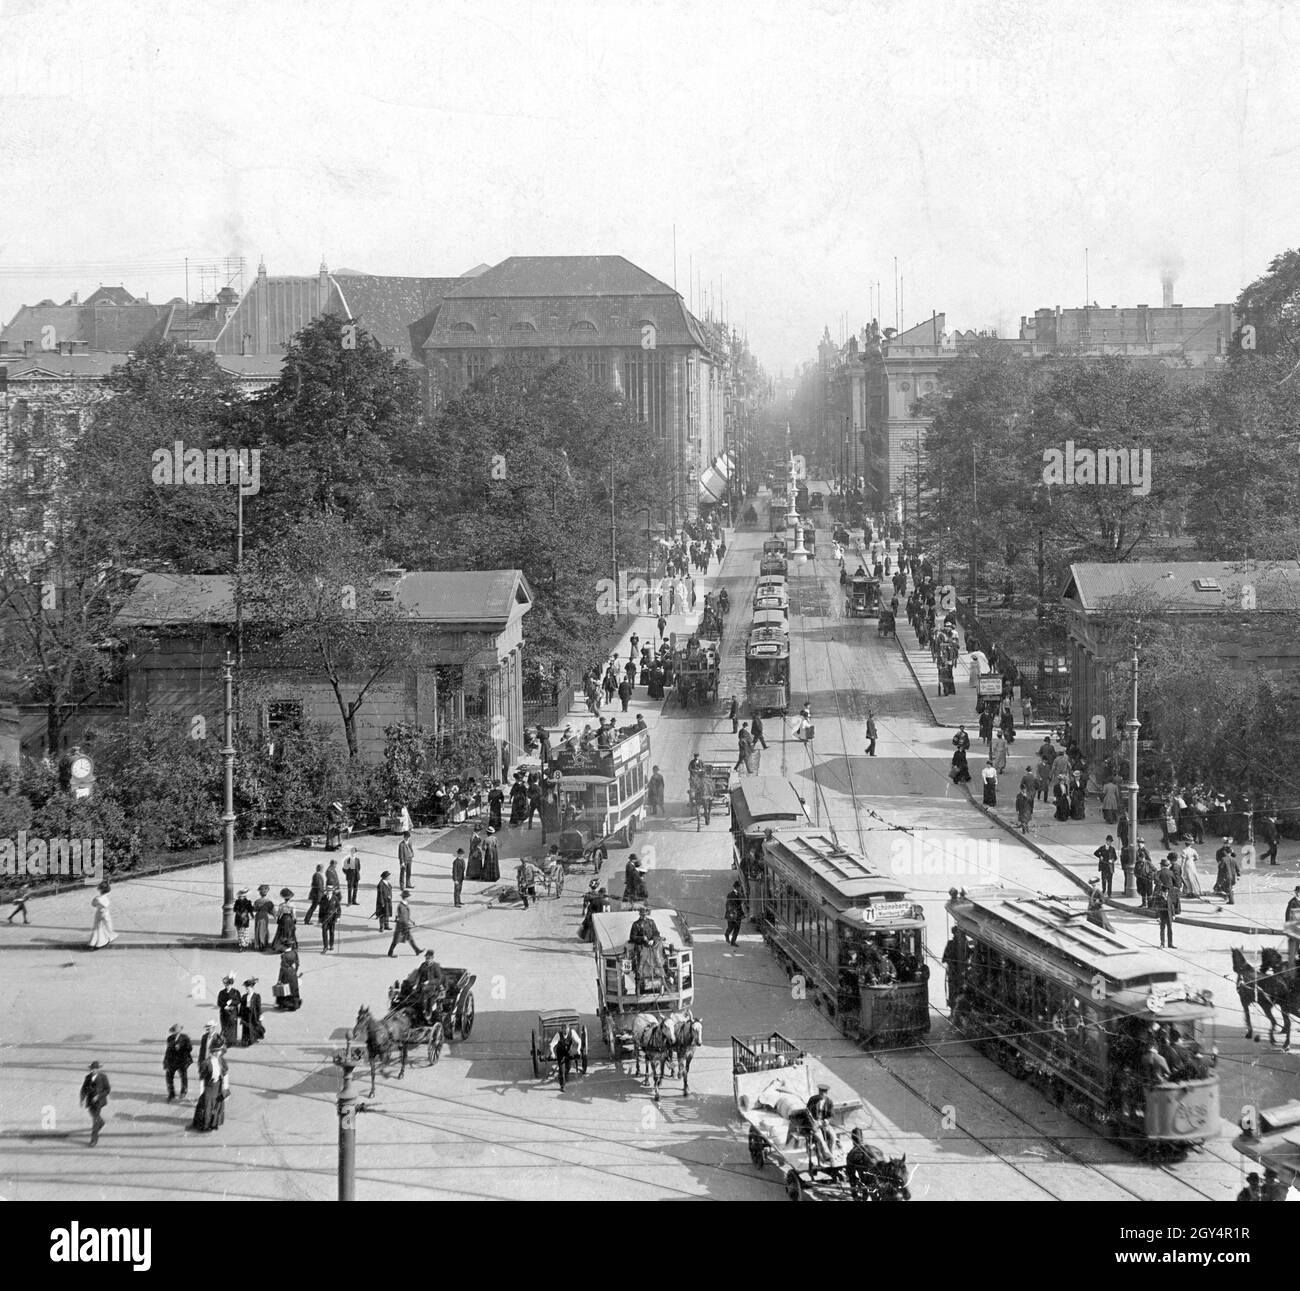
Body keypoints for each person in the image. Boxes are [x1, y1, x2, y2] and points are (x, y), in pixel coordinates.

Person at [191, 1051, 225, 1133]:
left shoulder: (220, 1060)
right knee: (207, 1105)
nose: (219, 1053)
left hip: (218, 1086)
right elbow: (202, 1076)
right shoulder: (206, 1062)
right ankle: (205, 1124)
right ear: (213, 1052)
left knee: (216, 1104)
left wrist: (224, 1084)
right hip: (210, 1086)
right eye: (217, 1051)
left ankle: (214, 1123)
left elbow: (225, 1071)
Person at [80, 1061, 111, 1146]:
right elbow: (83, 1089)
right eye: (92, 1069)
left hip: (99, 1102)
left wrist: (98, 1096)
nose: (94, 1071)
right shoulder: (88, 1077)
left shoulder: (103, 1077)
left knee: (95, 1120)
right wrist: (82, 1099)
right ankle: (101, 1122)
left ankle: (94, 1140)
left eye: (95, 1069)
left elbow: (107, 1089)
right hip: (90, 1101)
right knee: (93, 1115)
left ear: (98, 1069)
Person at [805, 1083, 836, 1164]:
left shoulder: (829, 1102)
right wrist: (813, 1122)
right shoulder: (813, 1099)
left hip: (824, 1124)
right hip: (815, 1124)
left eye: (824, 1094)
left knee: (833, 1137)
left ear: (826, 1094)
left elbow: (832, 1115)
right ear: (818, 1092)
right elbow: (807, 1113)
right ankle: (827, 1156)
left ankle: (830, 1155)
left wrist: (827, 1121)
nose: (822, 1095)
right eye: (820, 1093)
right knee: (821, 1139)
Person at [164, 1025, 193, 1101]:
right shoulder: (170, 1038)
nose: (175, 1033)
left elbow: (190, 1048)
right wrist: (165, 1061)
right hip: (172, 1061)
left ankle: (183, 1091)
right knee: (169, 1076)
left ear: (179, 1031)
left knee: (183, 1076)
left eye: (176, 1031)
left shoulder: (185, 1037)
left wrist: (181, 1046)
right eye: (173, 1032)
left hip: (182, 1060)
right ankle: (171, 1093)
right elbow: (168, 1050)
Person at [388, 890, 422, 956]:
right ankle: (390, 953)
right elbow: (400, 916)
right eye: (407, 897)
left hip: (405, 924)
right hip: (401, 925)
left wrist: (411, 921)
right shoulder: (400, 905)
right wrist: (406, 923)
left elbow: (406, 915)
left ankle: (417, 950)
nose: (408, 898)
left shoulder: (405, 904)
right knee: (396, 939)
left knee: (410, 937)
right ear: (405, 897)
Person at [87, 881, 117, 950]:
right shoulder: (106, 898)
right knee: (104, 926)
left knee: (97, 927)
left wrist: (97, 904)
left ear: (100, 889)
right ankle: (103, 940)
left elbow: (93, 904)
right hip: (106, 913)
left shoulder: (97, 898)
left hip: (99, 913)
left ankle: (95, 942)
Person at [217, 974, 242, 1046]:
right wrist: (224, 1006)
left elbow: (238, 1001)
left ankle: (233, 1041)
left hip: (232, 1013)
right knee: (224, 1026)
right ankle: (225, 1041)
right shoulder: (221, 992)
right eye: (226, 985)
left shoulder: (235, 992)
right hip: (224, 1013)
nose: (227, 987)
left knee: (232, 1027)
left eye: (228, 985)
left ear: (231, 985)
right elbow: (219, 1002)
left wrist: (232, 1002)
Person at [276, 942, 301, 1009]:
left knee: (285, 989)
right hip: (292, 972)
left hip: (286, 973)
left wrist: (279, 979)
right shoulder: (295, 953)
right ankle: (295, 1004)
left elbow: (282, 968)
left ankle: (285, 1005)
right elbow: (297, 964)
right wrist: (295, 971)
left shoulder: (283, 955)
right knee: (294, 988)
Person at [241, 978, 265, 1046]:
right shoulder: (244, 996)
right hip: (246, 1014)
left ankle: (254, 1038)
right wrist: (241, 1015)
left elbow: (258, 1006)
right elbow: (242, 1006)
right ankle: (246, 1039)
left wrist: (260, 1014)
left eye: (248, 989)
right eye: (246, 989)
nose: (246, 990)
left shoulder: (256, 996)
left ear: (252, 988)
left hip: (254, 1014)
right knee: (246, 1027)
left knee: (254, 1026)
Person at [252, 884, 275, 950]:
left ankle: (258, 944)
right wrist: (274, 915)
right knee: (264, 930)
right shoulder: (269, 902)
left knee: (257, 929)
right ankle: (263, 943)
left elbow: (254, 909)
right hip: (264, 916)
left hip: (258, 916)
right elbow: (272, 911)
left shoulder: (257, 901)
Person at [724, 880, 745, 946]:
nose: (740, 888)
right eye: (739, 887)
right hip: (732, 914)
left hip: (738, 914)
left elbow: (742, 902)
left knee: (737, 928)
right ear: (736, 887)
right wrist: (731, 913)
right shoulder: (731, 895)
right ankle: (727, 934)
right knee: (730, 927)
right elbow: (728, 905)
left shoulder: (739, 894)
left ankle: (733, 942)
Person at [320, 887, 341, 952]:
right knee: (324, 932)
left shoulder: (335, 898)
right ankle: (325, 946)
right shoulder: (323, 898)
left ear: (332, 891)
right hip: (325, 918)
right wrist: (320, 918)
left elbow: (339, 909)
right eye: (328, 891)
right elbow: (320, 909)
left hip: (332, 917)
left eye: (330, 891)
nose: (329, 892)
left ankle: (331, 945)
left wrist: (338, 917)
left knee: (331, 932)